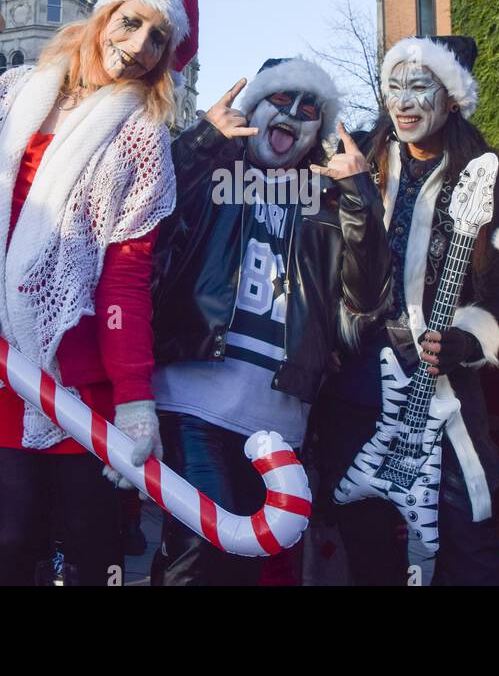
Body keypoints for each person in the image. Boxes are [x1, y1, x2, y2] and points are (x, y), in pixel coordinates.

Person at [0, 0, 197, 586]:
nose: (138, 47)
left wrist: (134, 397)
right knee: (8, 536)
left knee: (93, 541)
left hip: (84, 370)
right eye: (131, 23)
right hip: (1, 354)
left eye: (158, 38)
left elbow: (125, 283)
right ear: (101, 17)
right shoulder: (11, 91)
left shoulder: (143, 139)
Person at [148, 58, 390, 585]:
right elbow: (150, 206)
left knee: (243, 568)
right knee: (197, 553)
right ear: (254, 109)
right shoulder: (213, 174)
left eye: (309, 111)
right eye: (281, 101)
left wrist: (361, 197)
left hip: (279, 419)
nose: (294, 115)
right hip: (195, 401)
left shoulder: (326, 204)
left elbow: (368, 299)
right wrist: (201, 141)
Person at [315, 35, 499, 586]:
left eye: (420, 88)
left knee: (472, 534)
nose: (403, 103)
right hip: (359, 379)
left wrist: (470, 340)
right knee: (367, 538)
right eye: (394, 89)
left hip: (442, 382)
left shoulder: (484, 175)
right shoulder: (357, 159)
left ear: (451, 98)